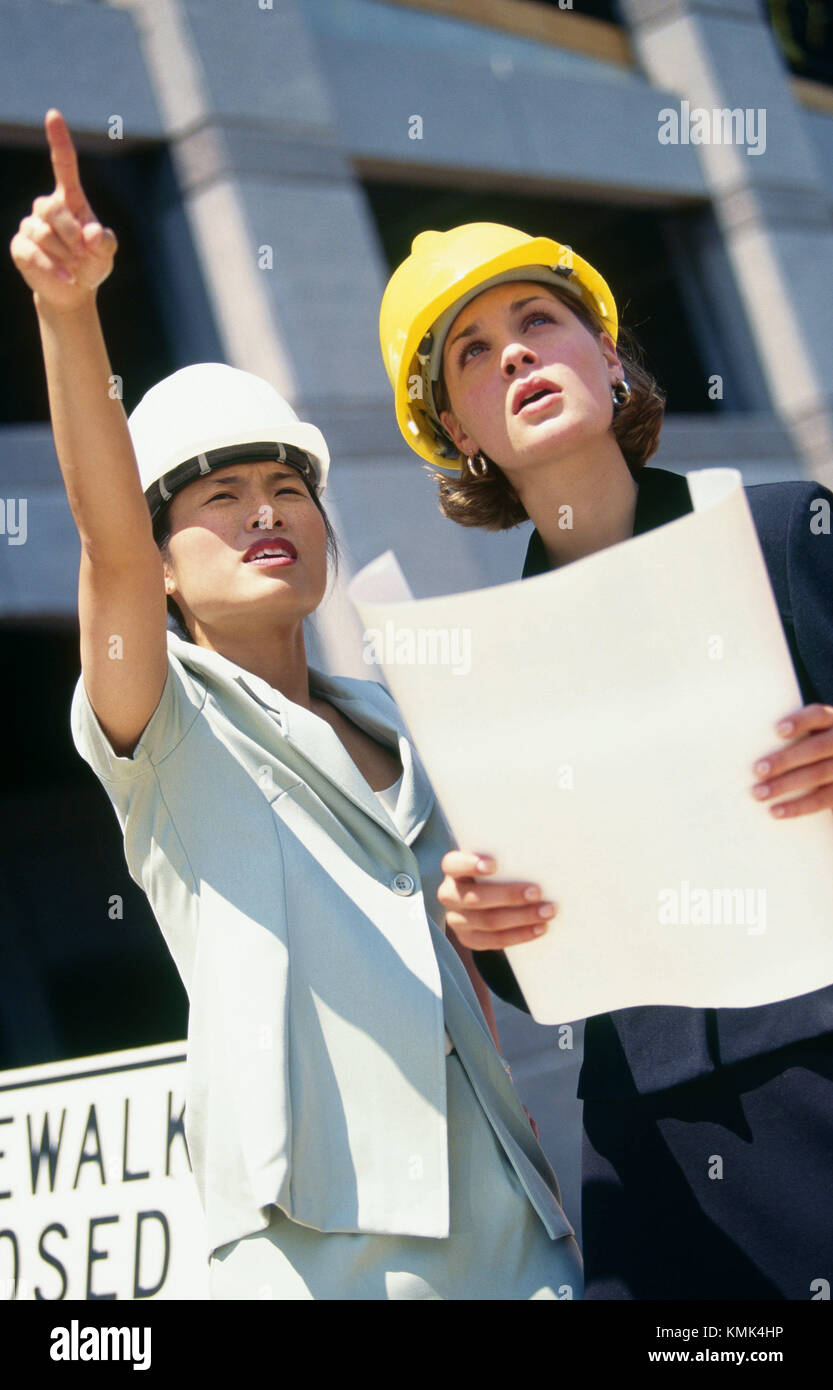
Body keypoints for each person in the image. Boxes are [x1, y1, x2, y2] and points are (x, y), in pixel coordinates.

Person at [9, 120, 583, 1300]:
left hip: (517, 1225)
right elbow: (109, 550)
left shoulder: (404, 712)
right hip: (312, 1253)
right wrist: (70, 314)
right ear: (166, 565)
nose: (268, 513)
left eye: (288, 489)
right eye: (221, 497)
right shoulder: (160, 724)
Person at [378, 221, 833, 1300]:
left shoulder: (782, 532)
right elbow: (545, 970)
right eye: (474, 352)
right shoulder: (477, 669)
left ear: (607, 355)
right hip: (651, 1141)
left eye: (538, 321)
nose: (515, 355)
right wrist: (486, 928)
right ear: (456, 429)